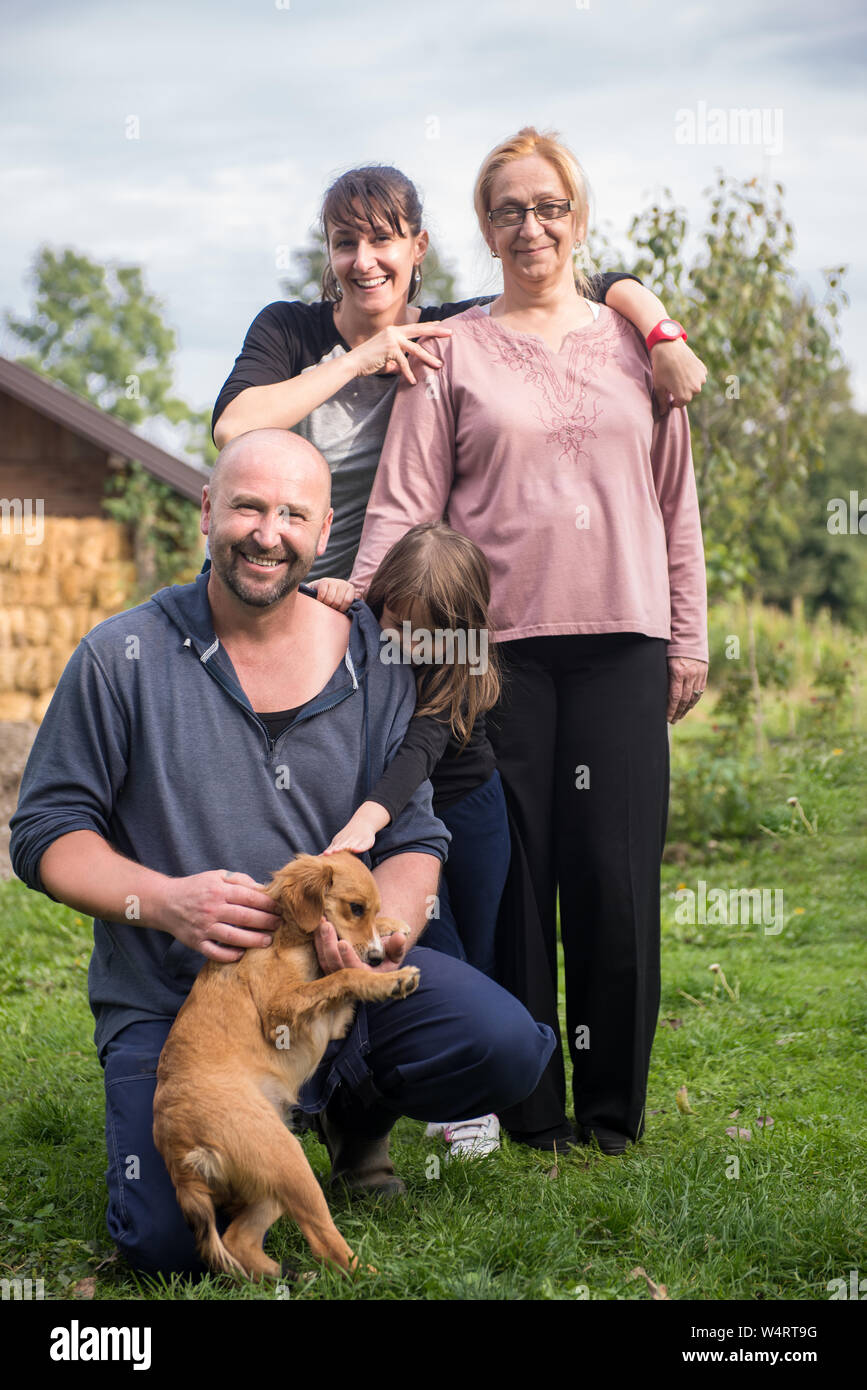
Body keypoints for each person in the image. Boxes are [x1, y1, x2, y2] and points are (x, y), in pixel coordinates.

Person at [9, 429, 556, 1277]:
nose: (268, 532)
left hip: (336, 990)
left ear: (323, 527)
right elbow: (44, 833)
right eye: (249, 507)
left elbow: (414, 834)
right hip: (182, 1010)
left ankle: (348, 1110)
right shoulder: (121, 658)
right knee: (165, 1246)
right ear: (206, 510)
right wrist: (160, 901)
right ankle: (268, 1126)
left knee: (506, 1047)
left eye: (292, 514)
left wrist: (391, 930)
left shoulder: (374, 655)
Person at [345, 127, 710, 1156]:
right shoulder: (451, 352)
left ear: (578, 218)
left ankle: (611, 1118)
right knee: (513, 883)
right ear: (485, 226)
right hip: (490, 655)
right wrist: (360, 606)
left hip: (627, 642)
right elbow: (406, 502)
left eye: (549, 206)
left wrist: (691, 636)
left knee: (615, 877)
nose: (531, 224)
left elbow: (676, 503)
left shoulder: (641, 349)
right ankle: (532, 1112)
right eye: (509, 208)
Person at [211, 163, 708, 586]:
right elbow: (234, 428)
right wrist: (359, 359)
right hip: (261, 585)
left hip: (369, 610)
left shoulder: (450, 334)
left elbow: (595, 286)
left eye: (382, 239)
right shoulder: (289, 329)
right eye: (345, 243)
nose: (363, 261)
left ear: (418, 246)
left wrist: (664, 337)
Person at [318, 521, 509, 1159]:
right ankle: (434, 1100)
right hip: (406, 822)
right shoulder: (369, 621)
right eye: (397, 620)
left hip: (470, 808)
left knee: (476, 949)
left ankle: (474, 1099)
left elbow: (420, 749)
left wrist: (368, 818)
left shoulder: (465, 664)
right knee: (431, 942)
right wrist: (336, 596)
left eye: (426, 631)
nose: (406, 640)